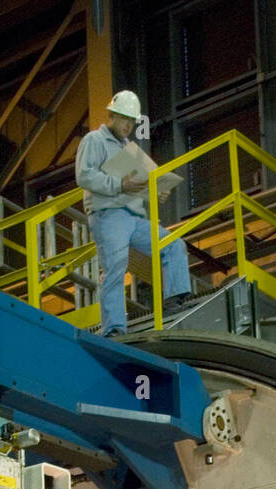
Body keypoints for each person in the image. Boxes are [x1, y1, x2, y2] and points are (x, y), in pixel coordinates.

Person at [75, 89, 192, 336]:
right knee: (116, 267)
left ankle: (175, 301)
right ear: (112, 115)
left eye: (132, 121)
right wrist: (119, 185)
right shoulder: (94, 141)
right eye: (124, 119)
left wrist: (157, 191)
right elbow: (84, 176)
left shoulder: (131, 149)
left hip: (134, 216)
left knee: (173, 244)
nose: (128, 125)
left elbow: (137, 183)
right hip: (109, 214)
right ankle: (114, 328)